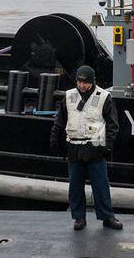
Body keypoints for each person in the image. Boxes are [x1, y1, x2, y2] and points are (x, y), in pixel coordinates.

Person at [49, 65, 122, 230]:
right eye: (80, 82)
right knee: (75, 186)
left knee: (101, 185)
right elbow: (60, 121)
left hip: (95, 147)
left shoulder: (104, 97)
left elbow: (112, 125)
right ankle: (79, 217)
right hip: (74, 146)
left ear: (92, 82)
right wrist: (55, 140)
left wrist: (107, 147)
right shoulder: (69, 96)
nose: (82, 85)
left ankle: (107, 217)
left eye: (85, 82)